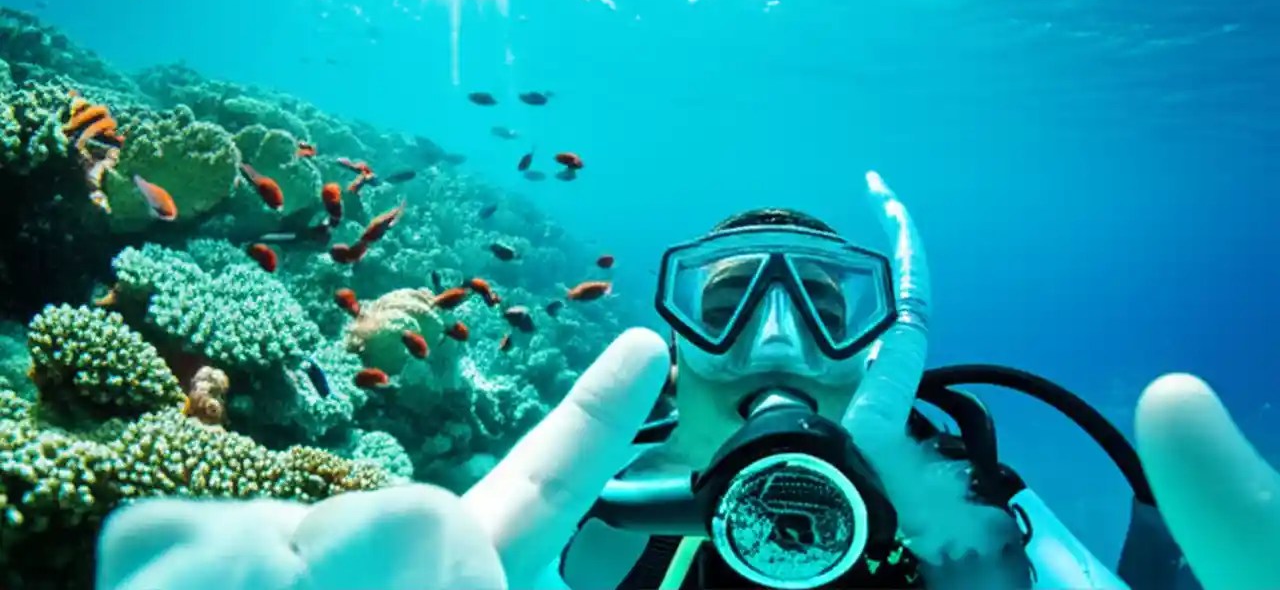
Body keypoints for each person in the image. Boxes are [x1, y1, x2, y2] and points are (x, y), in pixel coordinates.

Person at [95, 172, 1278, 590]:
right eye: (725, 299)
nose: (776, 336)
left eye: (827, 298)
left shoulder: (979, 512)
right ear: (676, 331)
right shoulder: (588, 538)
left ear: (882, 338)